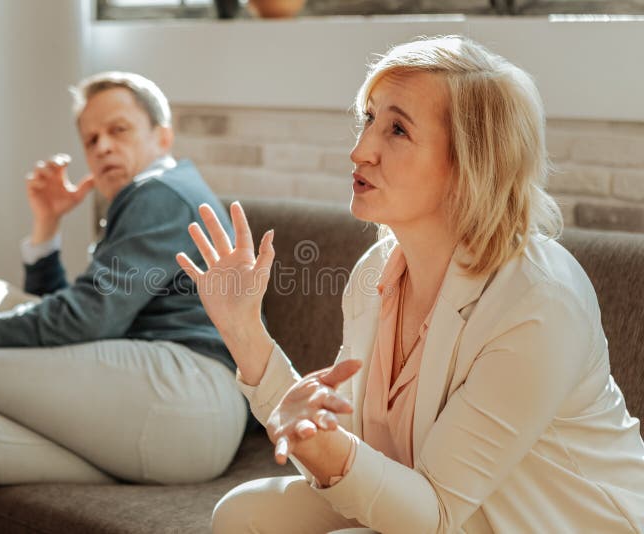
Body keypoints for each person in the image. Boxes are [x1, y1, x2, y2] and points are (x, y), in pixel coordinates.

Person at [177, 36, 644, 533]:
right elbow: (346, 459)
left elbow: (434, 515)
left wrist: (323, 443)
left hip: (544, 523)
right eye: (369, 120)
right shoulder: (376, 272)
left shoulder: (539, 300)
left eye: (397, 129)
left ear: (471, 164)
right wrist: (243, 330)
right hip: (431, 506)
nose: (359, 151)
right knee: (241, 514)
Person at [0, 72, 247, 534]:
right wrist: (46, 230)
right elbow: (67, 336)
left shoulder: (162, 191)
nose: (103, 148)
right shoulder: (148, 202)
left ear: (163, 135)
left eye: (119, 130)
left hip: (187, 390)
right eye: (91, 140)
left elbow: (88, 318)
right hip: (161, 422)